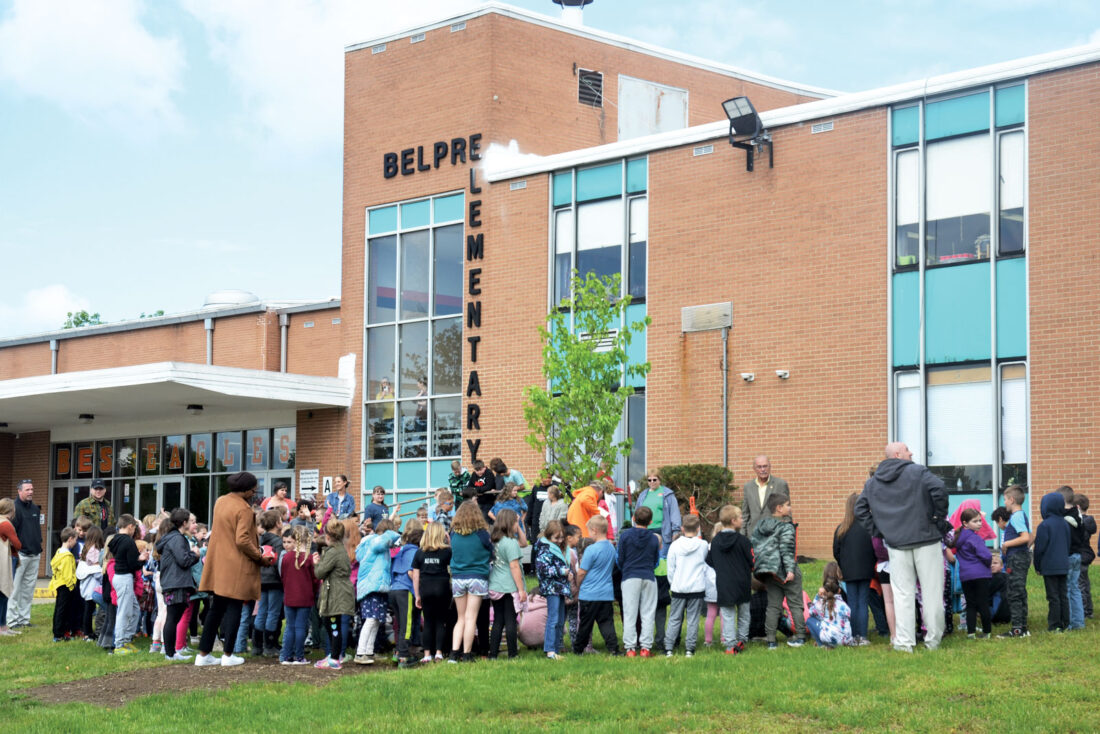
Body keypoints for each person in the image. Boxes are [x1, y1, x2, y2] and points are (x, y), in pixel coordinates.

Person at [855, 442, 948, 653]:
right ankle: (932, 641)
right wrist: (937, 518)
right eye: (907, 449)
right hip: (926, 540)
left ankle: (905, 642)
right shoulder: (918, 471)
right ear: (898, 454)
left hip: (896, 544)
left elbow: (860, 510)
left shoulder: (873, 482)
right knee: (931, 593)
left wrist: (881, 531)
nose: (911, 452)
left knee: (902, 594)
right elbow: (940, 489)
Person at [194, 471, 272, 667]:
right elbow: (243, 540)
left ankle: (203, 655)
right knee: (235, 609)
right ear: (246, 490)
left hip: (218, 564)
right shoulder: (244, 509)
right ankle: (228, 655)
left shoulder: (221, 501)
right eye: (254, 489)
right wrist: (260, 557)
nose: (255, 492)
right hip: (237, 566)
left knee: (215, 609)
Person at [752, 493, 806, 649]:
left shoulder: (761, 526)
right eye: (788, 505)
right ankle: (800, 635)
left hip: (769, 572)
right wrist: (790, 570)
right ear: (779, 508)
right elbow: (787, 550)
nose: (790, 507)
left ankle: (770, 639)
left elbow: (756, 547)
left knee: (773, 606)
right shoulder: (786, 527)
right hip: (785, 571)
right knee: (795, 603)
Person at [707, 504, 754, 655]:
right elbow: (752, 561)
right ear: (734, 521)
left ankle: (730, 645)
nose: (742, 520)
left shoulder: (715, 541)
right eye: (741, 517)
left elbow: (710, 561)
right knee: (744, 614)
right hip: (742, 582)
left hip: (724, 583)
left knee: (727, 615)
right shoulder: (743, 541)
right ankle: (742, 640)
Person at [353, 518, 401, 665]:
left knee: (376, 620)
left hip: (378, 587)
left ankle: (369, 652)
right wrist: (392, 534)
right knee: (370, 620)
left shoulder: (374, 543)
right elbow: (382, 541)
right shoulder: (375, 542)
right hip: (372, 587)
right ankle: (360, 652)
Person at [449, 501, 492, 662]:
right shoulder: (482, 534)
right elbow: (491, 551)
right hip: (477, 577)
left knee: (460, 618)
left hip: (458, 577)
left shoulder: (453, 533)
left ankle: (454, 653)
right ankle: (467, 654)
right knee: (470, 617)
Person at [571, 515, 621, 656]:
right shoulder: (611, 548)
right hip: (606, 592)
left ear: (594, 530)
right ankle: (613, 648)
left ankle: (578, 649)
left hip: (589, 593)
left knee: (585, 624)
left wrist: (578, 585)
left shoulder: (591, 550)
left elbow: (581, 572)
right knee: (607, 623)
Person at [155, 508, 200, 661]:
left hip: (174, 581)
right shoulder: (177, 539)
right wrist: (195, 554)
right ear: (184, 523)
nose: (193, 523)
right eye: (190, 520)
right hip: (176, 582)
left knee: (174, 617)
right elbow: (184, 560)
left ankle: (171, 652)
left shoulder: (172, 537)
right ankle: (170, 653)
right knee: (173, 618)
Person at [833, 492, 875, 646]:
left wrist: (843, 565)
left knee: (851, 601)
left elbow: (835, 551)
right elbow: (875, 549)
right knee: (863, 601)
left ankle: (851, 635)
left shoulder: (841, 529)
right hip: (865, 570)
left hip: (849, 571)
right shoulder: (869, 528)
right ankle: (862, 636)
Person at [618, 505, 660, 657]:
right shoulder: (654, 539)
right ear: (650, 522)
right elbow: (656, 560)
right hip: (648, 576)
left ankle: (630, 648)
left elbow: (620, 558)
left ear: (633, 519)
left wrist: (625, 568)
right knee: (648, 613)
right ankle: (645, 648)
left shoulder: (625, 536)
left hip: (630, 576)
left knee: (630, 613)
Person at [664, 514, 708, 657]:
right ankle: (690, 648)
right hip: (696, 587)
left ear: (682, 528)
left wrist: (673, 583)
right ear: (698, 529)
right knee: (693, 619)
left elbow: (670, 568)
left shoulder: (675, 545)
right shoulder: (702, 545)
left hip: (678, 586)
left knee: (674, 618)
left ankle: (669, 647)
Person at [311, 519, 353, 669]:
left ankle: (335, 658)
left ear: (328, 537)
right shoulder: (339, 549)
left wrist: (317, 563)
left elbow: (320, 573)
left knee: (333, 625)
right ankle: (334, 655)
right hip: (338, 591)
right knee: (331, 624)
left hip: (336, 593)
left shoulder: (334, 552)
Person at [991, 485, 1032, 638]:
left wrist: (1006, 544)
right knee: (1020, 592)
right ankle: (1022, 627)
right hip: (1018, 557)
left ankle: (1017, 629)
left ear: (1012, 500)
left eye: (1006, 500)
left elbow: (1026, 537)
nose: (1005, 503)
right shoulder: (1018, 516)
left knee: (1014, 593)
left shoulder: (1017, 516)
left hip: (1016, 559)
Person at [487, 509, 528, 660]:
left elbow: (523, 542)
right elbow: (514, 566)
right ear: (510, 523)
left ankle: (493, 654)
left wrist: (519, 526)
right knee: (510, 619)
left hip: (495, 584)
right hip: (509, 586)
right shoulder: (510, 544)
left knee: (498, 619)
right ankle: (513, 654)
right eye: (515, 522)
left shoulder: (495, 540)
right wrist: (521, 589)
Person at [412, 521, 452, 663]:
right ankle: (439, 653)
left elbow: (415, 576)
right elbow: (453, 565)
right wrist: (449, 541)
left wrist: (417, 595)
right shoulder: (447, 551)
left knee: (428, 621)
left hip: (426, 588)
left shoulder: (419, 552)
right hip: (442, 588)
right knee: (441, 621)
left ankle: (427, 654)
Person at [1033, 491, 1071, 632]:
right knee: (1063, 595)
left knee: (1053, 597)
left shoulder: (1044, 525)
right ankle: (1065, 623)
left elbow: (1039, 548)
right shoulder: (1065, 524)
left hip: (1049, 566)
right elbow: (1068, 544)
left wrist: (1037, 565)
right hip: (1063, 564)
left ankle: (1054, 625)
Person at [108, 514, 146, 654]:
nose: (134, 530)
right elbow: (133, 565)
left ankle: (127, 639)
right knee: (124, 612)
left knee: (134, 610)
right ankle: (119, 644)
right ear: (130, 526)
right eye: (134, 527)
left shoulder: (115, 540)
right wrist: (141, 559)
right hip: (124, 578)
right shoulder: (128, 542)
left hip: (119, 577)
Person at [953, 508, 993, 639]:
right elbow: (986, 556)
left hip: (965, 576)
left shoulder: (959, 538)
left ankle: (971, 633)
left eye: (980, 520)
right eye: (975, 521)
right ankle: (986, 632)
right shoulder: (975, 538)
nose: (980, 523)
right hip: (980, 575)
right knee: (983, 603)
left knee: (970, 604)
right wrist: (987, 565)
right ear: (965, 523)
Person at [279, 525, 316, 665]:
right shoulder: (309, 558)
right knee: (300, 627)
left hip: (289, 596)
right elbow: (315, 579)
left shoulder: (286, 557)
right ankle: (299, 656)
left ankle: (287, 656)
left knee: (290, 627)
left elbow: (283, 577)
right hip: (305, 597)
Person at [534, 520, 571, 659]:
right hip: (551, 588)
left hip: (560, 587)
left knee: (561, 620)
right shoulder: (545, 548)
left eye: (562, 537)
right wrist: (562, 571)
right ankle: (550, 650)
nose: (560, 540)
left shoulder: (561, 548)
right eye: (556, 538)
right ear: (549, 536)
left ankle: (556, 649)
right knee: (553, 618)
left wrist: (569, 573)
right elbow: (543, 569)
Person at [10, 479, 42, 630]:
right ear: (19, 491)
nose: (31, 492)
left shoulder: (35, 508)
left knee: (28, 590)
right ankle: (11, 620)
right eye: (27, 489)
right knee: (14, 589)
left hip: (35, 554)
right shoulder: (14, 509)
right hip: (19, 555)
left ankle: (24, 619)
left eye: (32, 489)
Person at [390, 521, 422, 668]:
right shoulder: (414, 552)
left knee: (400, 623)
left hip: (394, 589)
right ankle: (403, 655)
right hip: (405, 591)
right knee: (407, 624)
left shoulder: (401, 550)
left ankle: (398, 652)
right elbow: (411, 572)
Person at [255, 510, 285, 656]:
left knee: (262, 611)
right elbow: (279, 562)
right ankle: (269, 645)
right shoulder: (279, 542)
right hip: (274, 580)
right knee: (273, 612)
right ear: (278, 523)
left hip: (262, 579)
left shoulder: (260, 540)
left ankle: (257, 645)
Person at [1057, 486, 1087, 630]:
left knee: (1066, 590)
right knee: (1075, 589)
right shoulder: (1078, 514)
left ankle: (1067, 623)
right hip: (1077, 555)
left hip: (1067, 555)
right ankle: (1079, 622)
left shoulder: (1062, 518)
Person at [741, 456, 791, 539]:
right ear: (754, 468)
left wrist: (786, 535)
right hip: (754, 534)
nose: (762, 469)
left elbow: (787, 513)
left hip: (774, 535)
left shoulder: (780, 484)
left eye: (765, 466)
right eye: (759, 467)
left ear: (770, 467)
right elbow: (745, 514)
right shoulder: (748, 487)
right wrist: (742, 536)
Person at [635, 471, 682, 558]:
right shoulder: (643, 495)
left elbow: (674, 512)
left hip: (663, 532)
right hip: (645, 531)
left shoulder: (667, 494)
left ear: (659, 480)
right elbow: (637, 513)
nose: (652, 482)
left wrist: (676, 530)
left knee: (662, 558)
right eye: (649, 480)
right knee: (646, 557)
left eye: (654, 479)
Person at [806, 562, 853, 648]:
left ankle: (822, 645)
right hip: (846, 640)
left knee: (810, 620)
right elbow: (849, 615)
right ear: (839, 590)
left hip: (831, 638)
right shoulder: (844, 606)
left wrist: (817, 596)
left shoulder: (821, 604)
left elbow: (811, 611)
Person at [49, 527, 80, 641]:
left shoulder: (58, 552)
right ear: (70, 539)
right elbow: (68, 574)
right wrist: (72, 585)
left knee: (59, 608)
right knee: (63, 610)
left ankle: (59, 631)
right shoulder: (67, 556)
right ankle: (59, 634)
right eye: (75, 540)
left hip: (59, 583)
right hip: (67, 586)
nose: (76, 542)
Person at [0, 497, 23, 636]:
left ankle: (3, 626)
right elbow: (18, 544)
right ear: (11, 510)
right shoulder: (6, 524)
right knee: (4, 592)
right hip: (6, 561)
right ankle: (2, 627)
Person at [1074, 494, 1095, 619]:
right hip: (1086, 555)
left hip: (1080, 555)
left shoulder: (1081, 523)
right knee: (1085, 583)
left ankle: (1084, 611)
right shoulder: (1089, 521)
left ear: (1076, 507)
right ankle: (1089, 609)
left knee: (1080, 584)